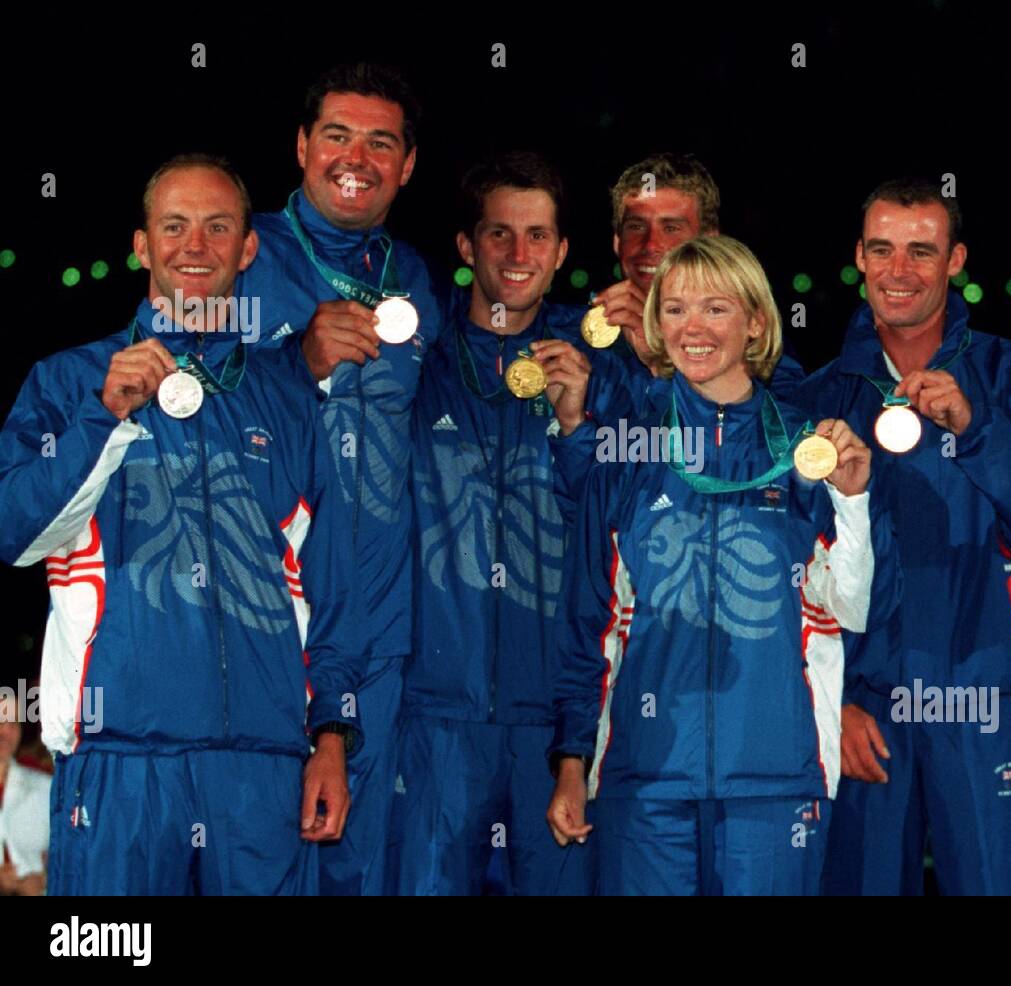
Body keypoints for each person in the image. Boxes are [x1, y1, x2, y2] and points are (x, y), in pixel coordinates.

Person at [0, 155, 364, 895]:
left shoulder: (286, 397)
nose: (194, 245)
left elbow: (328, 581)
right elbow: (13, 531)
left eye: (217, 226)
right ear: (141, 245)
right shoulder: (69, 381)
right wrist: (100, 418)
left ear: (247, 248)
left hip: (262, 767)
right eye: (174, 225)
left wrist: (330, 735)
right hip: (119, 761)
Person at [547, 235, 900, 895]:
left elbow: (851, 608)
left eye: (715, 309)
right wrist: (572, 759)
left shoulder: (809, 450)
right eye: (675, 309)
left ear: (756, 323)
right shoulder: (625, 448)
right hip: (642, 779)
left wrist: (852, 503)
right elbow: (589, 620)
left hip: (775, 777)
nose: (693, 328)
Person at [797, 178, 1011, 895]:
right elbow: (787, 573)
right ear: (859, 258)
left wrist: (979, 429)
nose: (899, 271)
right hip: (866, 707)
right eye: (882, 250)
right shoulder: (816, 399)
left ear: (956, 258)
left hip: (988, 696)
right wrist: (828, 701)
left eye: (921, 251)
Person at [389, 152, 632, 895]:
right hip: (434, 714)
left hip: (556, 717)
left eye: (536, 237)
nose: (517, 254)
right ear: (467, 248)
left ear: (561, 253)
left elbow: (616, 528)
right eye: (499, 235)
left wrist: (576, 426)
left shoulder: (600, 373)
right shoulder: (416, 367)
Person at [236, 62, 445, 895]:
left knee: (359, 870)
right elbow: (181, 396)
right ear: (300, 146)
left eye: (380, 142)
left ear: (407, 164)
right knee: (258, 865)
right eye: (336, 135)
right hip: (262, 625)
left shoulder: (417, 280)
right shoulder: (242, 251)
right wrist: (295, 362)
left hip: (377, 635)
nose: (355, 157)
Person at [592, 153, 804, 402]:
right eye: (636, 227)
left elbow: (776, 429)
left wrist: (666, 365)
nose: (650, 245)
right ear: (617, 242)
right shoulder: (580, 335)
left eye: (671, 229)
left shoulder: (752, 342)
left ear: (710, 243)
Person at [0, 691, 49, 896]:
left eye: (13, 722)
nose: (6, 731)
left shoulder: (45, 787)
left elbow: (69, 853)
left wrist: (46, 877)